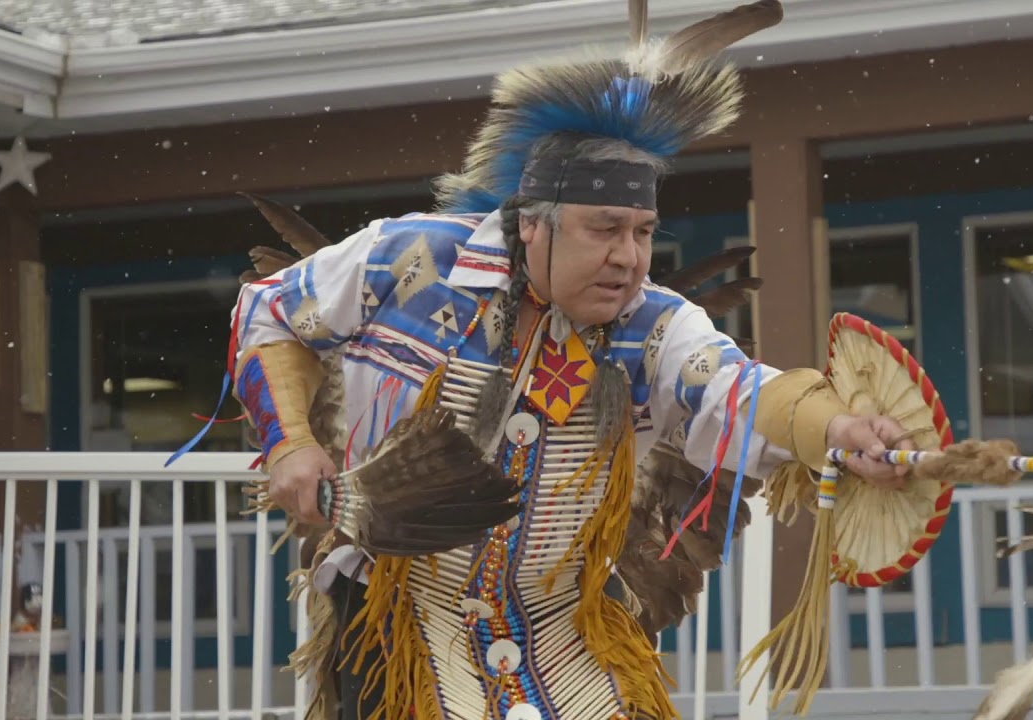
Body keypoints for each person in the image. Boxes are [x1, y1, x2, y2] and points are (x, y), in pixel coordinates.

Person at [228, 2, 915, 718]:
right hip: (397, 621)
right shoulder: (412, 261)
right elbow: (268, 312)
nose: (629, 256)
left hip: (563, 641)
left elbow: (737, 390)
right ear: (533, 224)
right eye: (605, 228)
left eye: (644, 231)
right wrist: (294, 445)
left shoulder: (653, 324)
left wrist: (838, 431)